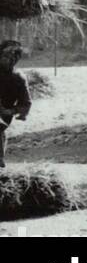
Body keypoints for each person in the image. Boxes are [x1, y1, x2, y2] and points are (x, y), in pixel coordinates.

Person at [0, 41, 33, 169]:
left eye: (14, 57)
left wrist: (11, 111)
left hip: (3, 116)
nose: (10, 60)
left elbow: (26, 102)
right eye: (6, 56)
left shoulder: (18, 78)